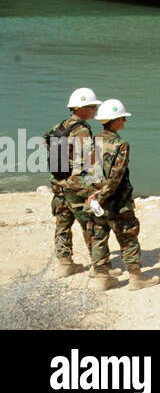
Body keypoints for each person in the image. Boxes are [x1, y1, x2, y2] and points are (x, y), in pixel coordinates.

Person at [87, 99, 160, 291]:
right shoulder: (121, 144)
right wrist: (102, 196)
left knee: (99, 237)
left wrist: (92, 196)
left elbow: (87, 172)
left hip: (96, 200)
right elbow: (116, 177)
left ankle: (103, 279)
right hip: (117, 202)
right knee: (128, 237)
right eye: (122, 119)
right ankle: (136, 280)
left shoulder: (92, 142)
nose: (124, 122)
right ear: (114, 121)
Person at [42, 87, 100, 277]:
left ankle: (65, 263)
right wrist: (94, 186)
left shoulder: (60, 126)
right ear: (82, 108)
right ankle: (98, 267)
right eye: (92, 106)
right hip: (75, 186)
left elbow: (46, 139)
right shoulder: (81, 130)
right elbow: (87, 162)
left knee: (62, 224)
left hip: (58, 183)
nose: (94, 110)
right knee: (89, 224)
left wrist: (60, 157)